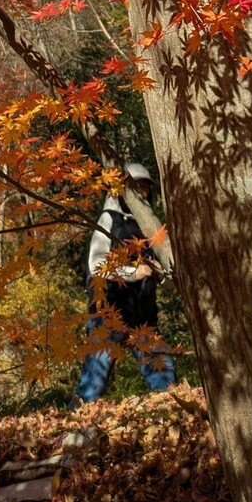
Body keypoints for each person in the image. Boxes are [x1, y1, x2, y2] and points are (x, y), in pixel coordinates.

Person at [70, 162, 176, 405]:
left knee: (165, 380)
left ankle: (172, 418)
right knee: (93, 383)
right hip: (108, 314)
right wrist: (132, 272)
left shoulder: (150, 228)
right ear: (121, 190)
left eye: (145, 187)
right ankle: (75, 429)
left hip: (144, 316)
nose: (141, 192)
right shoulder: (109, 219)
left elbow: (166, 273)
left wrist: (158, 273)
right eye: (134, 186)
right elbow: (96, 265)